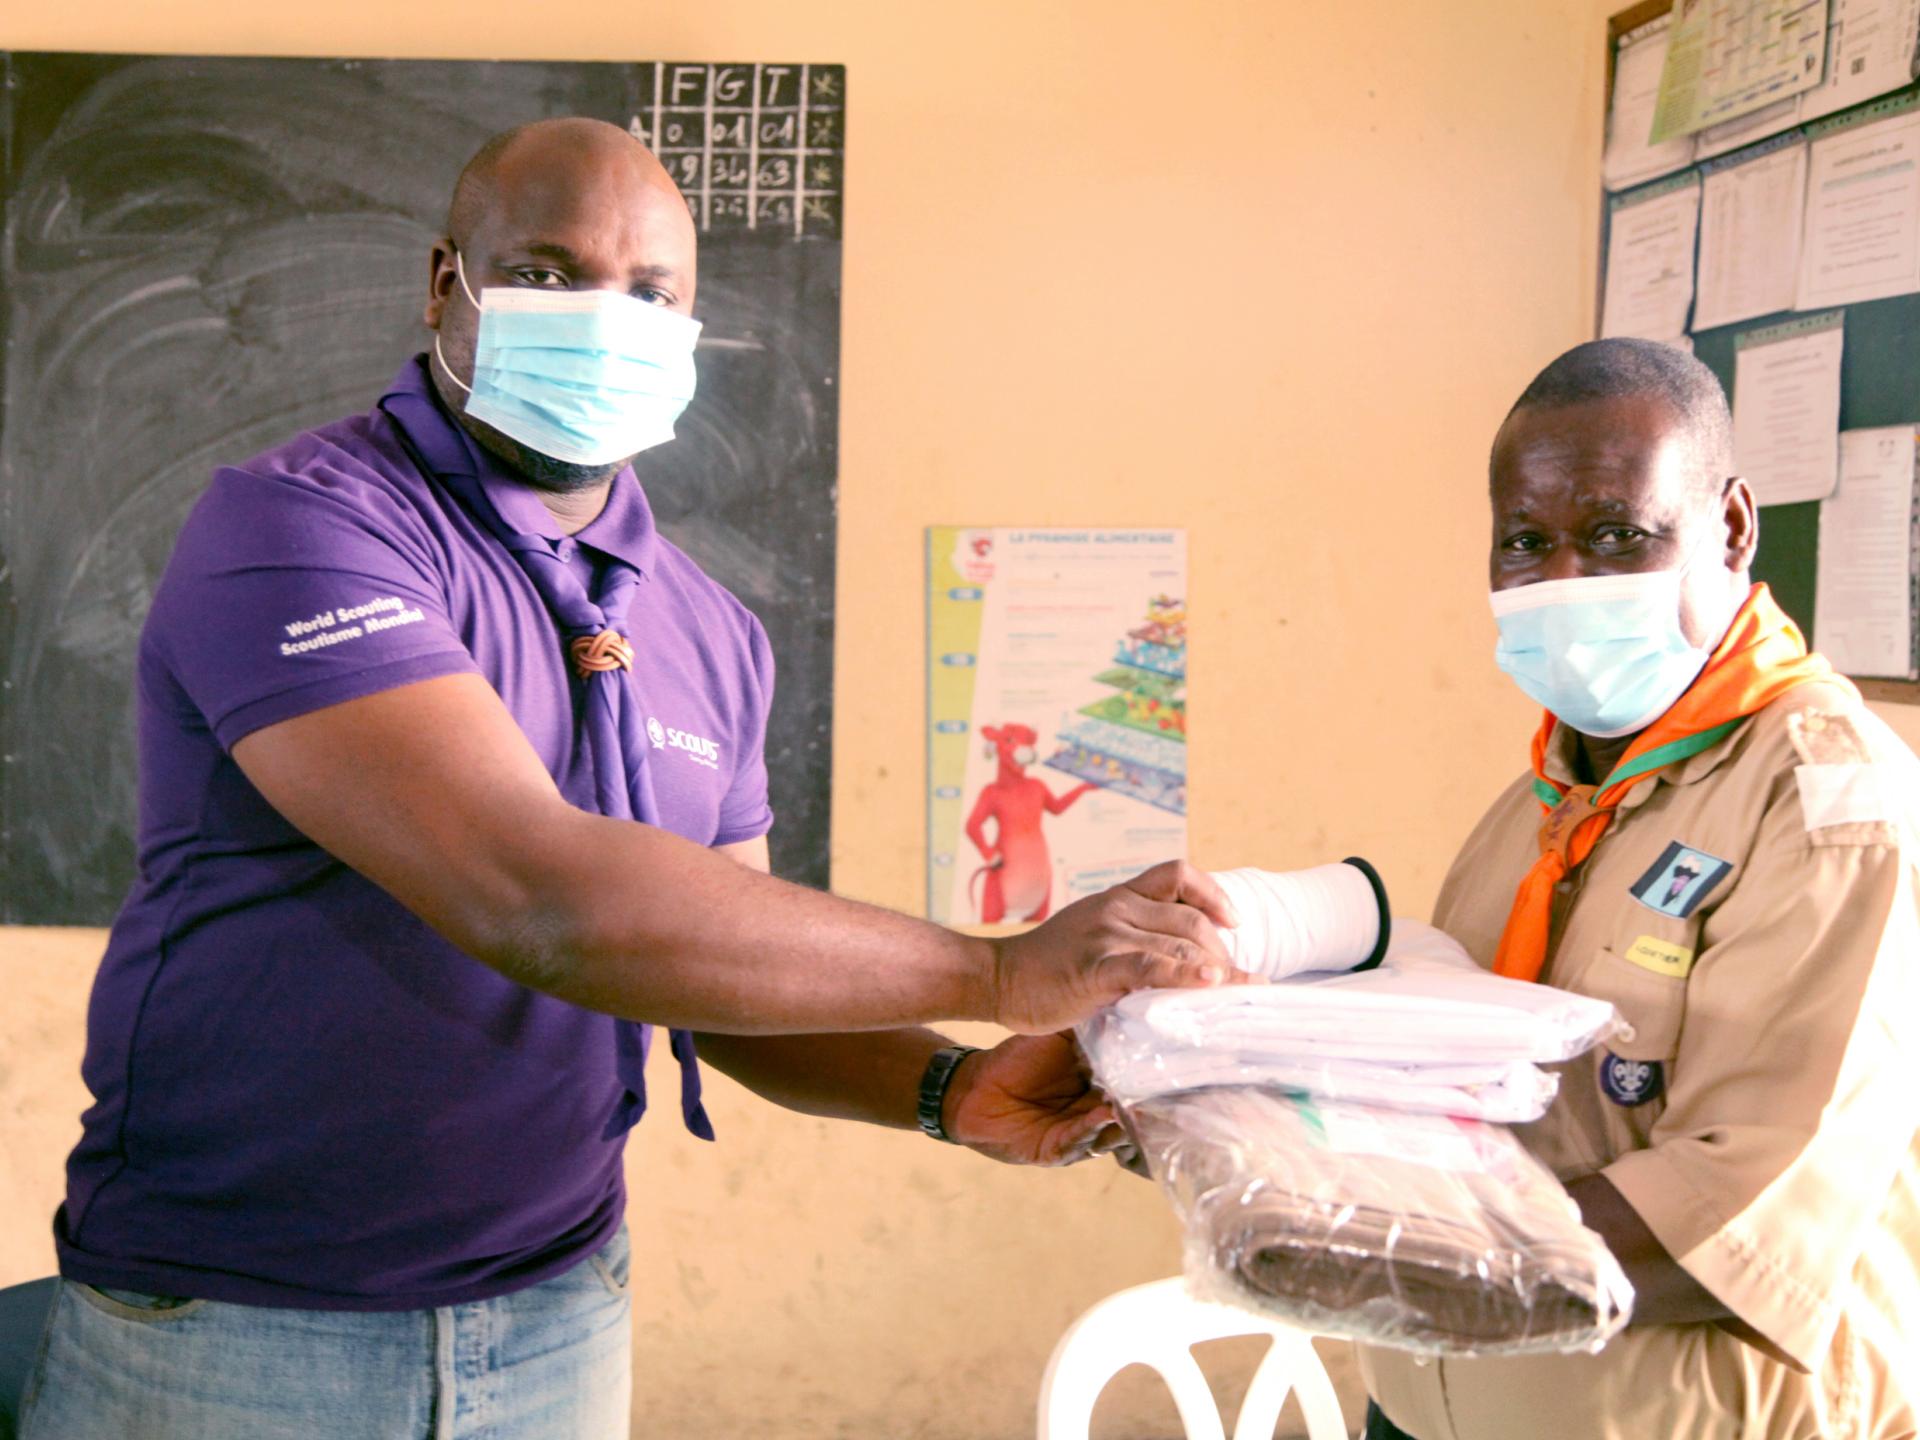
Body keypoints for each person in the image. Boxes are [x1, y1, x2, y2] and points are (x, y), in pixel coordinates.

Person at [16, 118, 1246, 1439]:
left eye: (651, 293)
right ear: (445, 283)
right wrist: (998, 972)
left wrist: (946, 1090)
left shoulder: (711, 629)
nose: (604, 321)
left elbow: (722, 987)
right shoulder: (303, 526)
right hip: (237, 1329)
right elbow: (534, 893)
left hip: (560, 1314)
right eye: (546, 274)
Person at [1360, 339, 1919, 1439]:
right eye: (1527, 541)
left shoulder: (1830, 806)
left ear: (1732, 527)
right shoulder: (1545, 801)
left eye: (1619, 535)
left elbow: (1740, 1206)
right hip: (1426, 1406)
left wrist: (1386, 1252)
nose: (1567, 580)